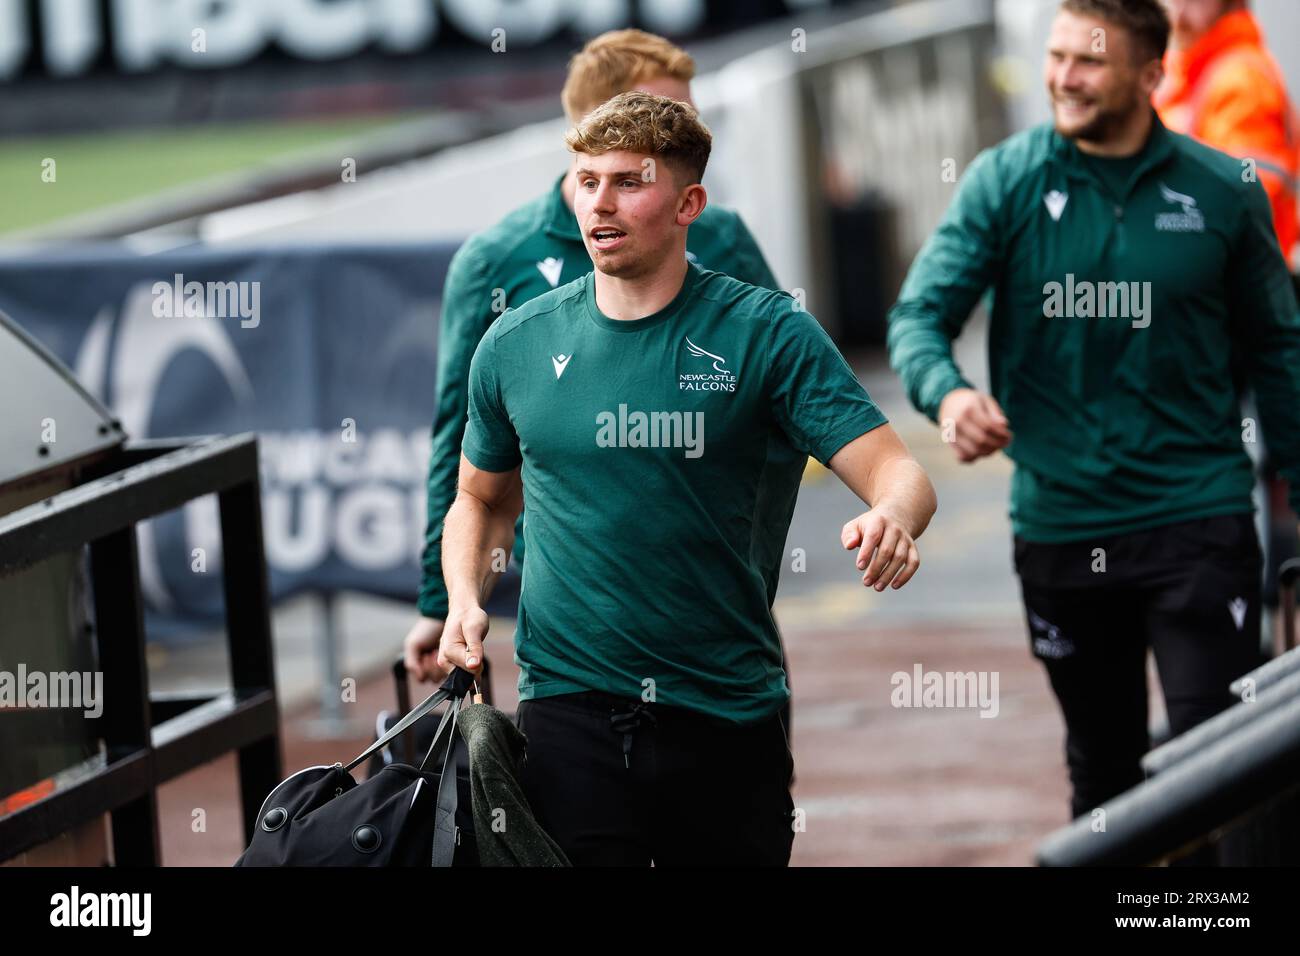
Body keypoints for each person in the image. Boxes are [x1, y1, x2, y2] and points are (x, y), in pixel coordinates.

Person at [436, 92, 936, 865]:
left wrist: (893, 516)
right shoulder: (515, 343)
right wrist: (463, 599)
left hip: (726, 711)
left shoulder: (767, 334)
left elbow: (899, 471)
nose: (599, 202)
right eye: (585, 180)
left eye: (628, 182)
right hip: (569, 712)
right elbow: (481, 498)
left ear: (687, 203)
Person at [887, 0, 1300, 821]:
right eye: (1056, 56)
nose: (1061, 78)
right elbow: (918, 316)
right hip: (1062, 529)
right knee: (1103, 769)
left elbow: (1280, 354)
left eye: (1087, 61)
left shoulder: (1223, 193)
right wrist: (950, 393)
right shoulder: (1007, 180)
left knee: (1213, 762)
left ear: (1151, 75)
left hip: (1198, 523)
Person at [404, 29, 787, 692]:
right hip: (573, 619)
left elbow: (791, 399)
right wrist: (442, 604)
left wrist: (753, 561)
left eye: (691, 117)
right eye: (672, 114)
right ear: (604, 123)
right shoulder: (497, 260)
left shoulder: (718, 234)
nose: (690, 134)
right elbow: (459, 442)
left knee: (742, 789)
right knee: (576, 784)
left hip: (720, 602)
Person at [1155, 0, 1297, 265]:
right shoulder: (1186, 72)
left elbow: (1245, 201)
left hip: (1233, 286)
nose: (1177, 9)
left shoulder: (1241, 80)